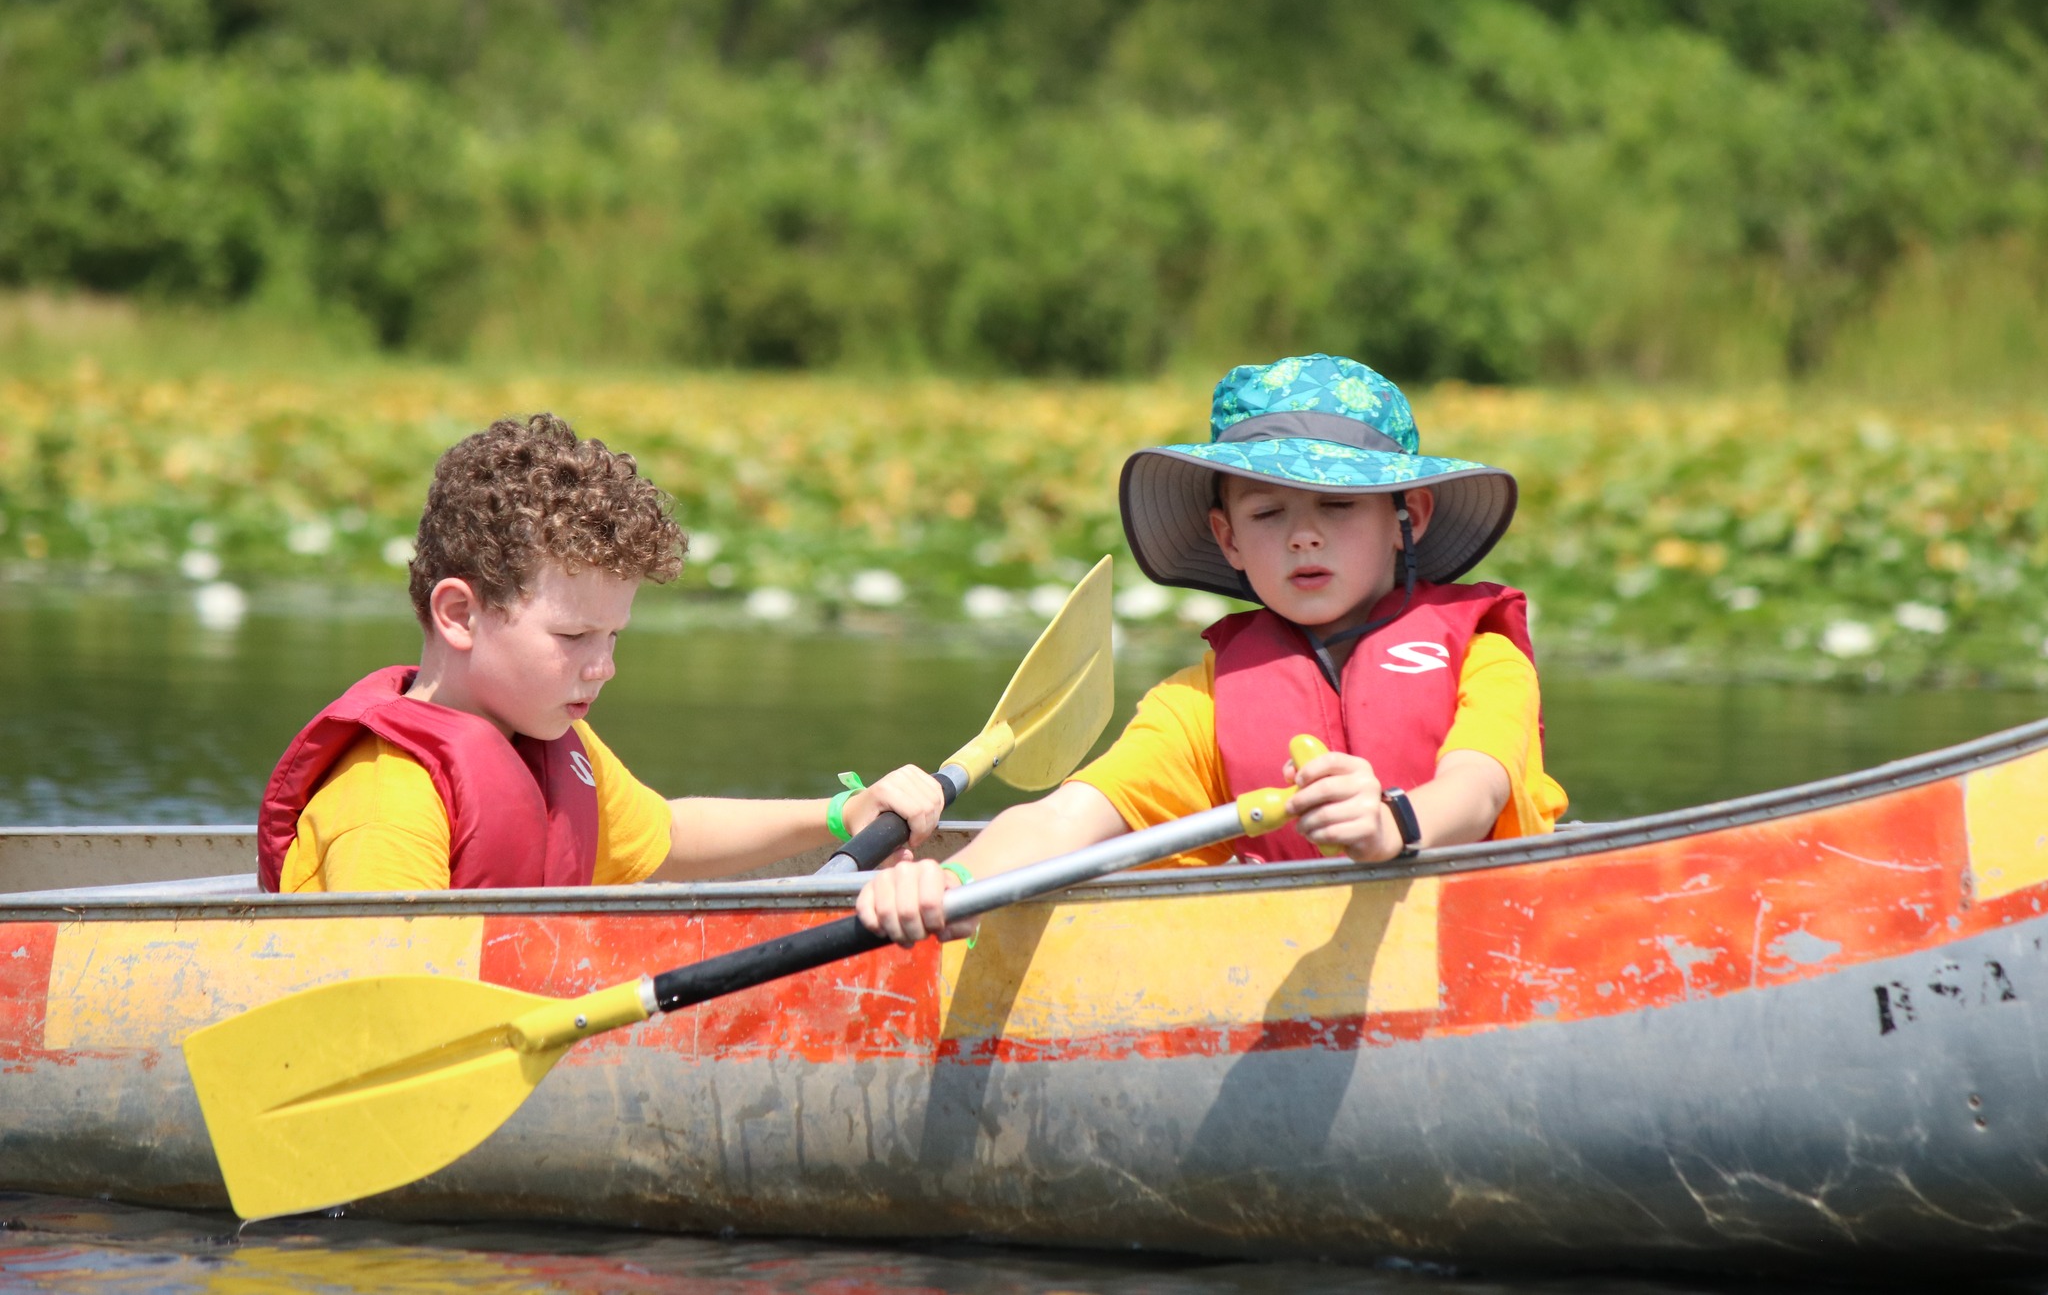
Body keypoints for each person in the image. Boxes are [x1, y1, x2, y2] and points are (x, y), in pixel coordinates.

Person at [858, 353, 1567, 944]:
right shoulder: (1199, 701)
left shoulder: (1485, 655)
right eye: (1268, 512)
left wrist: (1392, 824)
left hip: (1483, 941)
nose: (1303, 536)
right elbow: (1065, 818)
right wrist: (952, 881)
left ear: (1405, 516)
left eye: (1339, 504)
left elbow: (1476, 789)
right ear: (1228, 538)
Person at [258, 414, 943, 892]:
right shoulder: (390, 799)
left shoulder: (550, 740)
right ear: (460, 614)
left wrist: (837, 814)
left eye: (613, 636)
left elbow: (666, 835)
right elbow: (383, 998)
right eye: (573, 637)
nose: (603, 665)